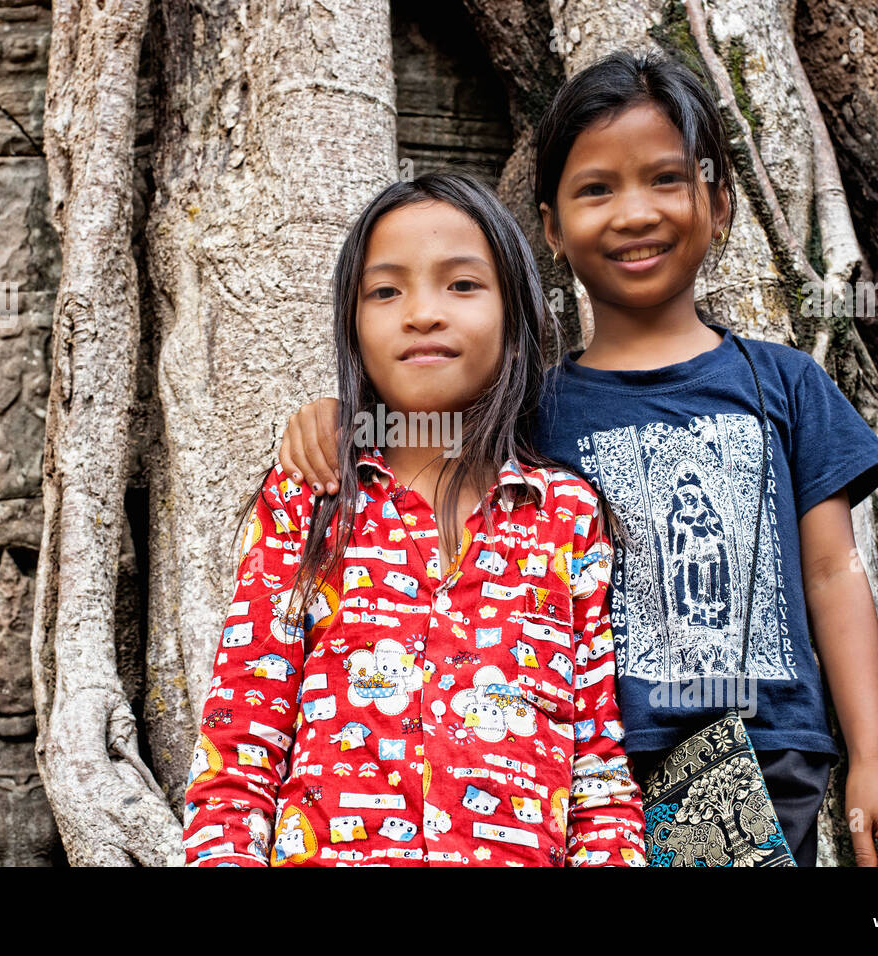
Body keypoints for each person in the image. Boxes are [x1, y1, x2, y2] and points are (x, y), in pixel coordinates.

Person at [276, 51, 878, 867]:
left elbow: (835, 573)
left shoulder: (786, 382)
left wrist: (873, 760)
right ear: (550, 226)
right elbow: (423, 441)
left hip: (761, 754)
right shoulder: (526, 410)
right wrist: (340, 418)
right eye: (596, 190)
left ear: (718, 203)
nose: (634, 213)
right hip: (586, 769)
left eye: (664, 179)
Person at [182, 170, 646, 867]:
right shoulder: (309, 499)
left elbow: (598, 782)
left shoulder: (566, 519)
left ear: (517, 320)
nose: (423, 312)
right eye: (386, 290)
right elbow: (236, 758)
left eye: (462, 285)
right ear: (353, 325)